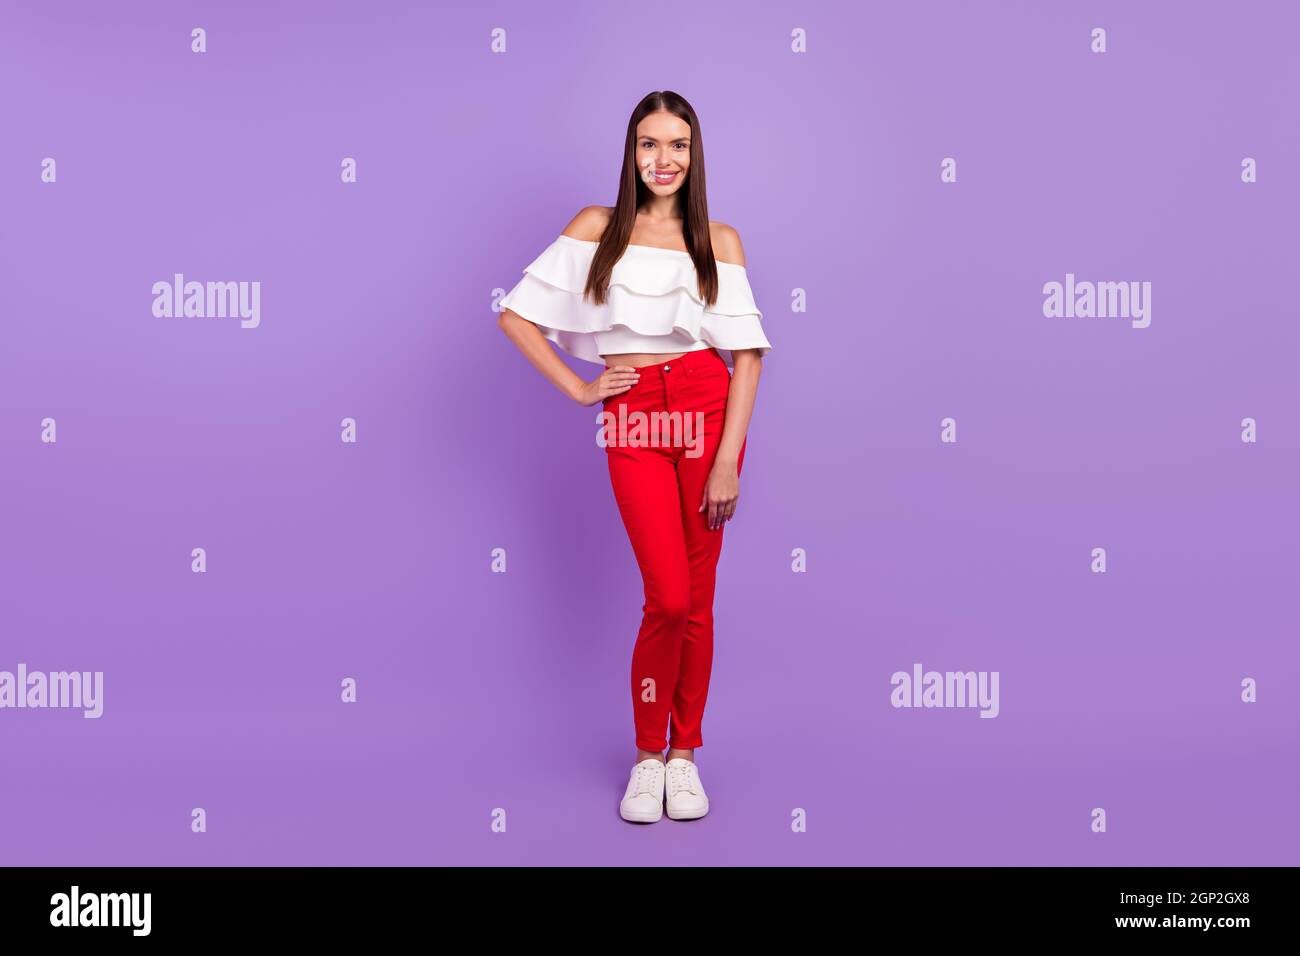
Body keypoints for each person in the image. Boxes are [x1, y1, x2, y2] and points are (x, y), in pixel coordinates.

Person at [496, 91, 771, 823]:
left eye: (677, 145)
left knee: (699, 601)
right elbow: (515, 316)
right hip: (636, 419)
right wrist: (583, 389)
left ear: (695, 153)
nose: (663, 159)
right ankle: (648, 754)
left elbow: (746, 360)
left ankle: (686, 759)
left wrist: (727, 461)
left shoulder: (721, 239)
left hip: (706, 412)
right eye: (649, 144)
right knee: (668, 597)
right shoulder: (598, 228)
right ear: (631, 152)